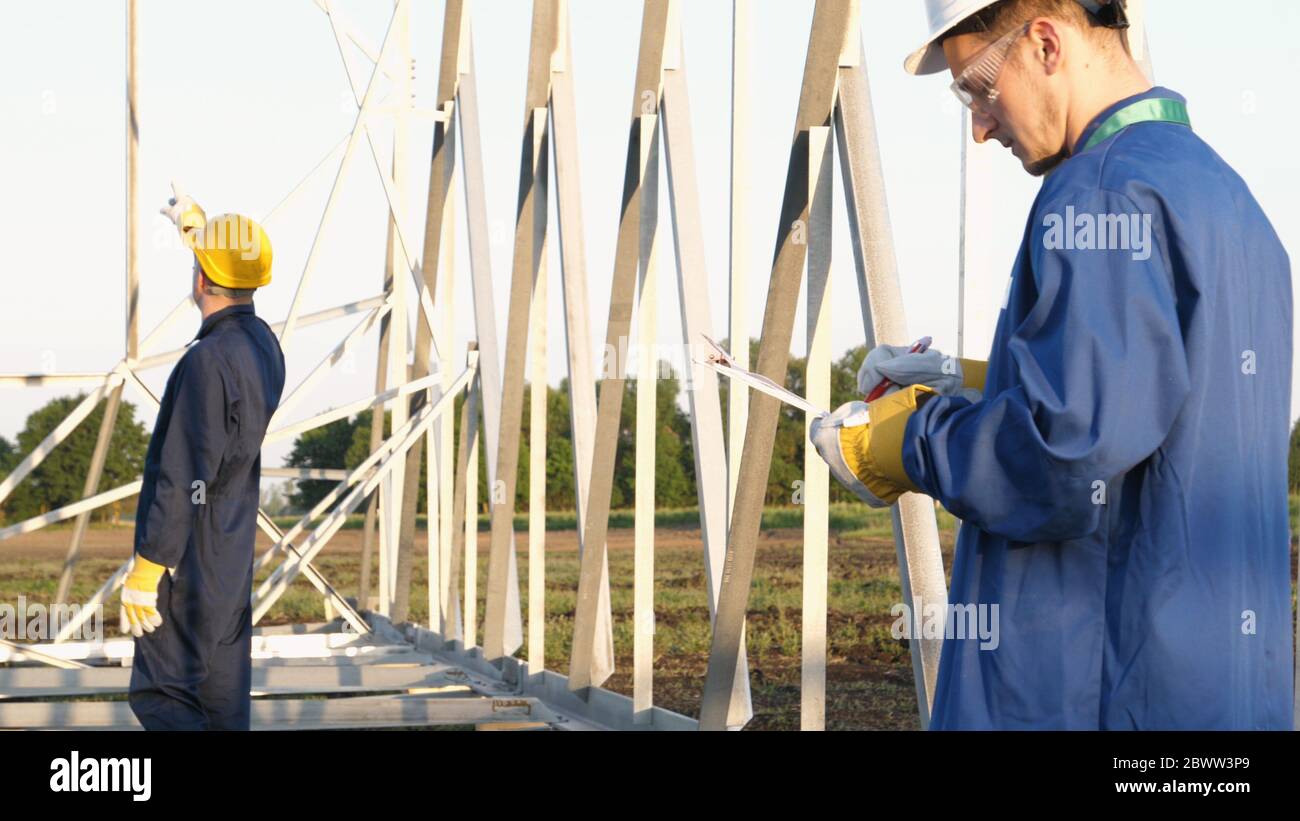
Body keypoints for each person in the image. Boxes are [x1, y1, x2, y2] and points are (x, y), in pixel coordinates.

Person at [809, 0, 1294, 729]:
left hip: (1103, 692)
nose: (979, 125)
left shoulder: (1100, 191)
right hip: (1220, 702)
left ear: (1043, 43)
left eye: (977, 86)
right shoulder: (1232, 204)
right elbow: (1154, 408)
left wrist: (906, 443)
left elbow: (1065, 453)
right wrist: (973, 379)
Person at [119, 187, 286, 730]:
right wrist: (198, 232)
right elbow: (226, 274)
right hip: (232, 554)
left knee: (164, 693)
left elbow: (182, 474)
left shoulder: (206, 362)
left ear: (198, 281)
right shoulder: (263, 345)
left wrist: (148, 568)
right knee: (220, 701)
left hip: (188, 560)